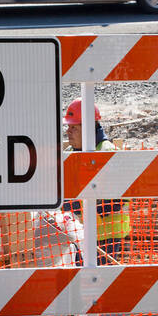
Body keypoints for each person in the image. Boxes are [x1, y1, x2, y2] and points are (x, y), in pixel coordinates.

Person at [61, 97, 130, 263]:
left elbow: (118, 198)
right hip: (78, 234)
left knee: (101, 285)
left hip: (107, 237)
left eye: (74, 127)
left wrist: (79, 203)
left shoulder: (107, 152)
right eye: (68, 127)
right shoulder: (70, 154)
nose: (68, 132)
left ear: (89, 129)